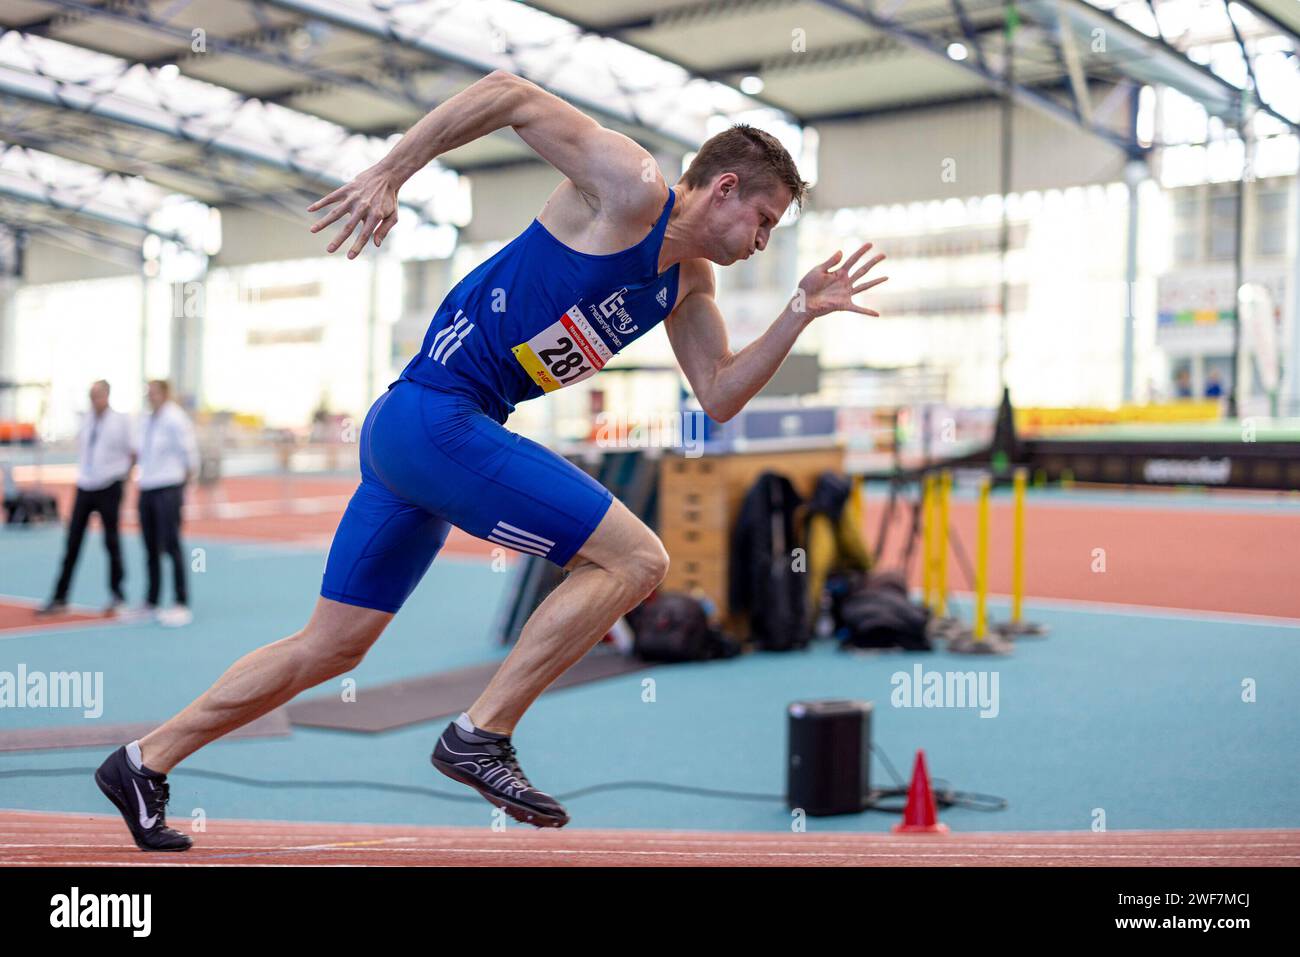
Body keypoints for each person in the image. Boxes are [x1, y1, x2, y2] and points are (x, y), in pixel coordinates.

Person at [92, 69, 887, 850]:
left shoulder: (686, 284)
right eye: (763, 220)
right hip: (436, 416)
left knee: (330, 644)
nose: (762, 241)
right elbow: (510, 92)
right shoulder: (630, 188)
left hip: (417, 433)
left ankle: (143, 759)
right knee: (636, 559)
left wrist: (797, 313)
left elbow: (716, 393)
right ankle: (481, 732)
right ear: (721, 188)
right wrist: (389, 172)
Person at [38, 380, 134, 616]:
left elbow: (133, 452)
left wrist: (123, 477)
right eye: (91, 396)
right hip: (86, 485)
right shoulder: (87, 419)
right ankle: (60, 596)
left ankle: (117, 594)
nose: (94, 400)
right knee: (72, 541)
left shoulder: (121, 422)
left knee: (111, 541)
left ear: (107, 395)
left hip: (110, 484)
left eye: (98, 396)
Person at [135, 379, 199, 628]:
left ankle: (180, 601)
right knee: (150, 547)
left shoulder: (175, 419)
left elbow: (189, 454)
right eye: (147, 392)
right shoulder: (148, 419)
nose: (149, 396)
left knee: (171, 545)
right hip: (148, 487)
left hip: (169, 488)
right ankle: (151, 601)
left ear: (164, 393)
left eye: (152, 392)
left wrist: (185, 489)